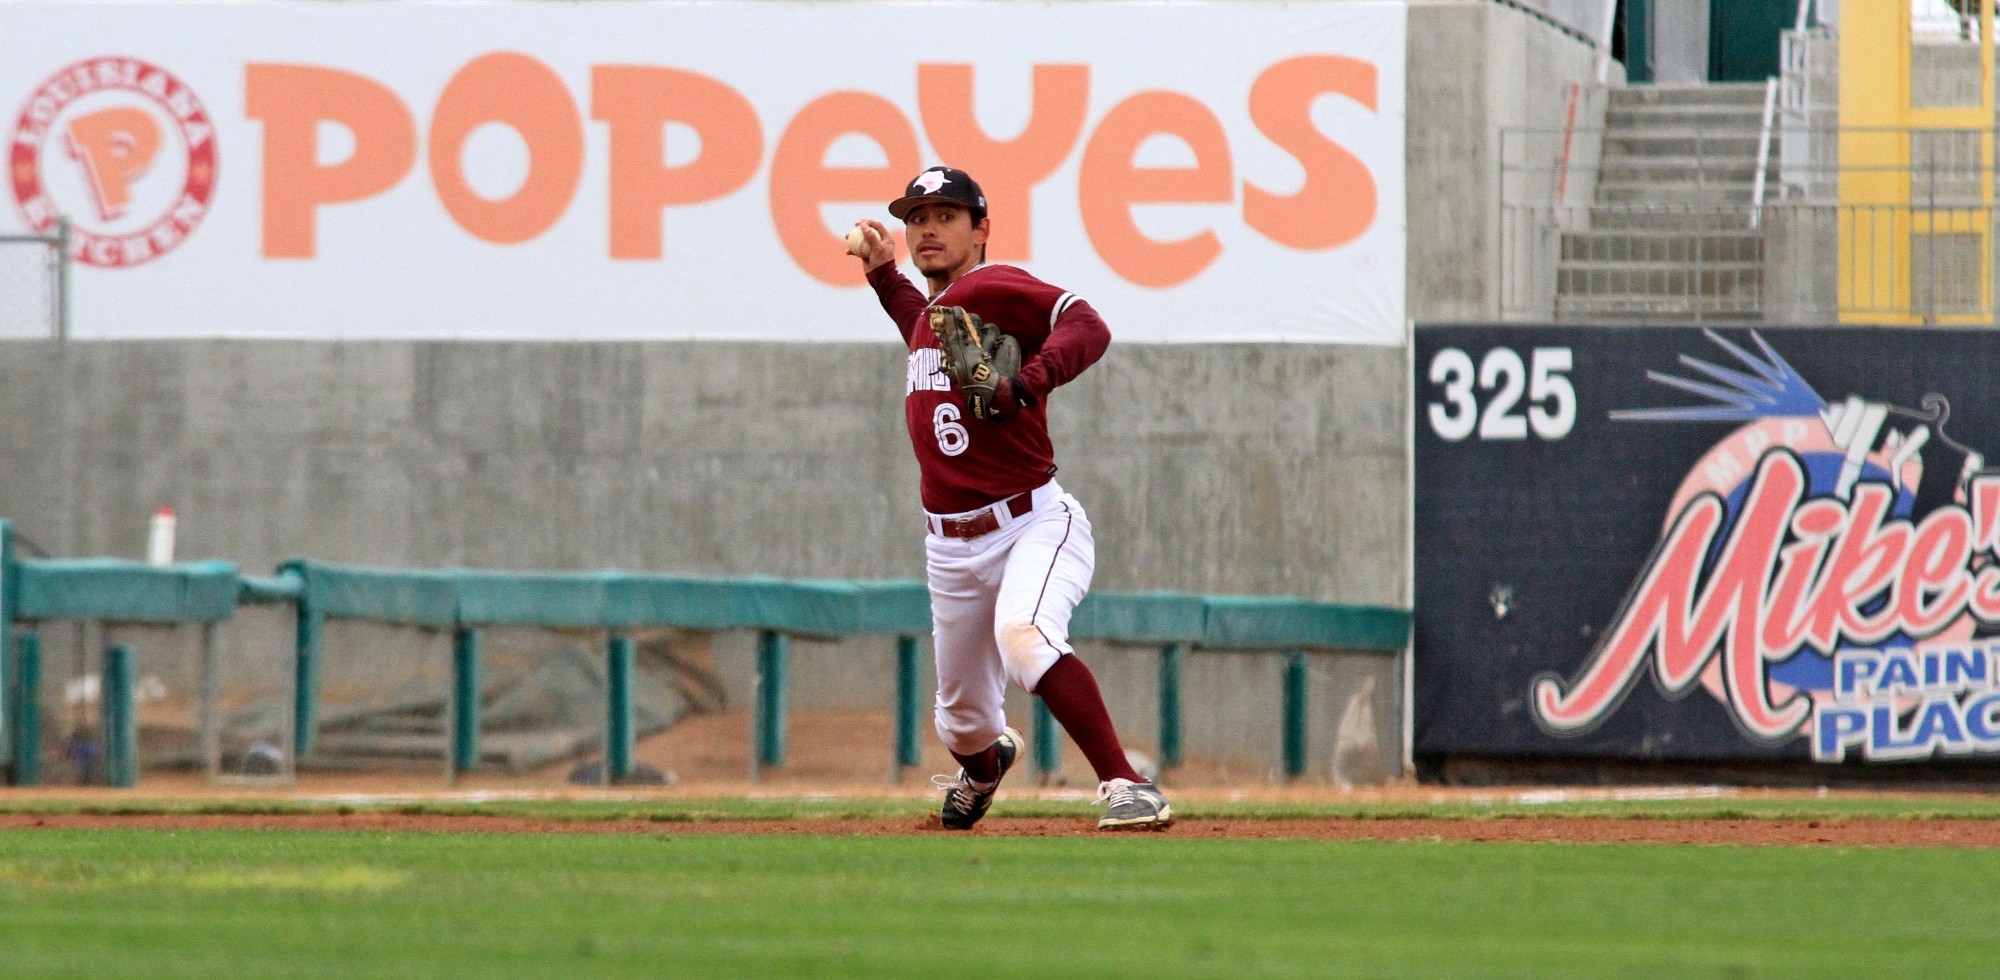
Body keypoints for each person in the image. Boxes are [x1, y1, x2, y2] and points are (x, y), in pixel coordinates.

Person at [850, 165, 1172, 831]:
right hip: (950, 546)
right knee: (960, 724)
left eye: (946, 216)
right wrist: (884, 277)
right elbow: (921, 326)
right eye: (917, 219)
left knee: (1025, 638)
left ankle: (1129, 785)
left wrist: (1026, 384)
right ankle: (985, 765)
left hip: (1031, 522)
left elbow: (1087, 325)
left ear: (982, 229)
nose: (927, 229)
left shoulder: (993, 285)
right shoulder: (942, 316)